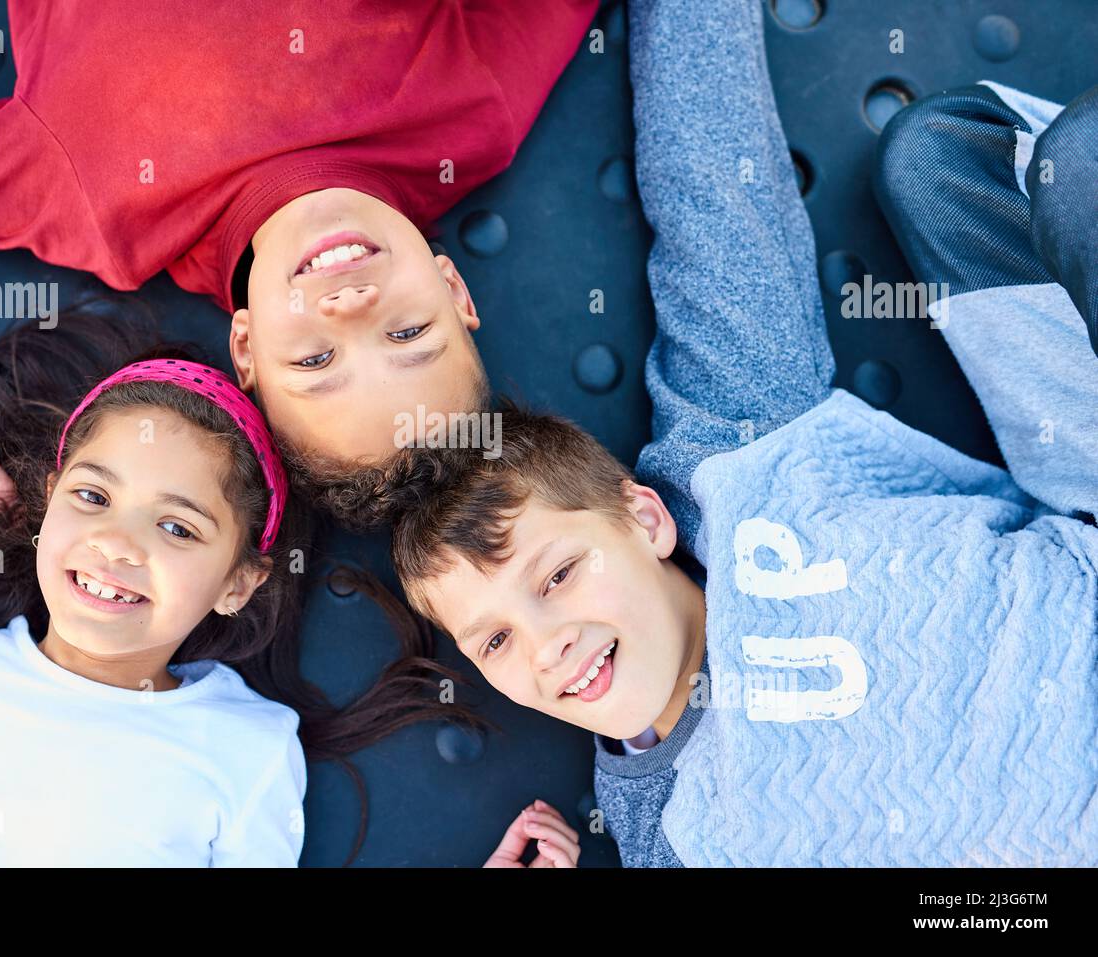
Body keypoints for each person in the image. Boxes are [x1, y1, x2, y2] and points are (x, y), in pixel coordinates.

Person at [388, 0, 1098, 866]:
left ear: (645, 519)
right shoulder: (667, 835)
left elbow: (713, 191)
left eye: (560, 573)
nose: (546, 645)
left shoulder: (730, 453)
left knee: (956, 158)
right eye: (493, 640)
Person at [0, 0, 599, 550]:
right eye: (408, 332)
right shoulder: (474, 110)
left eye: (316, 360)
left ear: (245, 350)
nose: (351, 305)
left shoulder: (98, 204)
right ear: (455, 290)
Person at [0, 304, 479, 867]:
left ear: (239, 582)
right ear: (47, 500)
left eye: (178, 528)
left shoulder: (249, 748)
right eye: (92, 495)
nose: (118, 542)